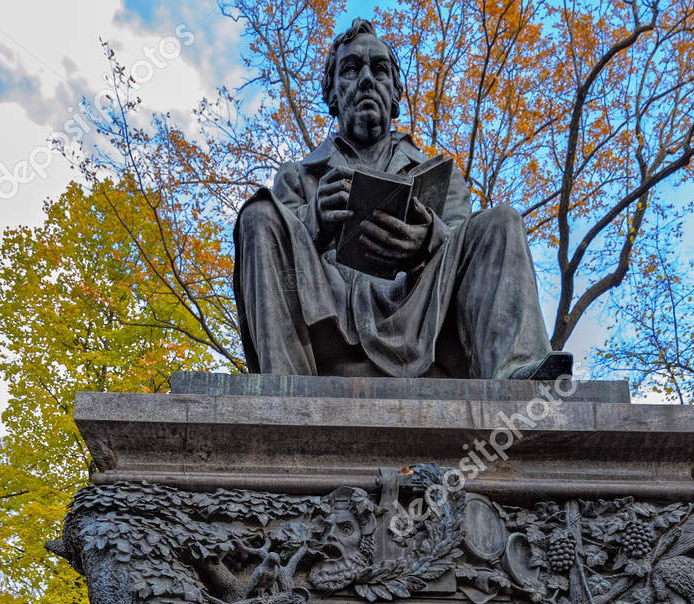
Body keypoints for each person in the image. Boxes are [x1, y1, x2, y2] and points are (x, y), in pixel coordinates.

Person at [233, 19, 570, 380]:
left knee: (502, 221)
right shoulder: (297, 177)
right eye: (350, 69)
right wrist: (313, 221)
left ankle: (515, 371)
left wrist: (430, 240)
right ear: (331, 95)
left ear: (395, 93)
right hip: (329, 322)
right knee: (259, 216)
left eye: (379, 69)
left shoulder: (440, 178)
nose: (366, 79)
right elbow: (273, 256)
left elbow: (470, 256)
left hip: (421, 316)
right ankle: (285, 397)